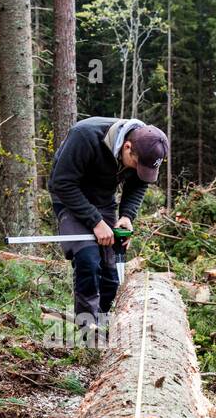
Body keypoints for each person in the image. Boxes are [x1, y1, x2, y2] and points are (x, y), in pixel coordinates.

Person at [47, 116, 168, 336]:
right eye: (135, 164)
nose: (136, 170)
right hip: (69, 196)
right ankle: (87, 336)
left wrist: (127, 216)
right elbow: (61, 182)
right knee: (88, 261)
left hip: (103, 200)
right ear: (127, 147)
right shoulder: (85, 136)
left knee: (110, 273)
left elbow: (139, 183)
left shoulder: (146, 146)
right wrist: (96, 222)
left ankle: (102, 327)